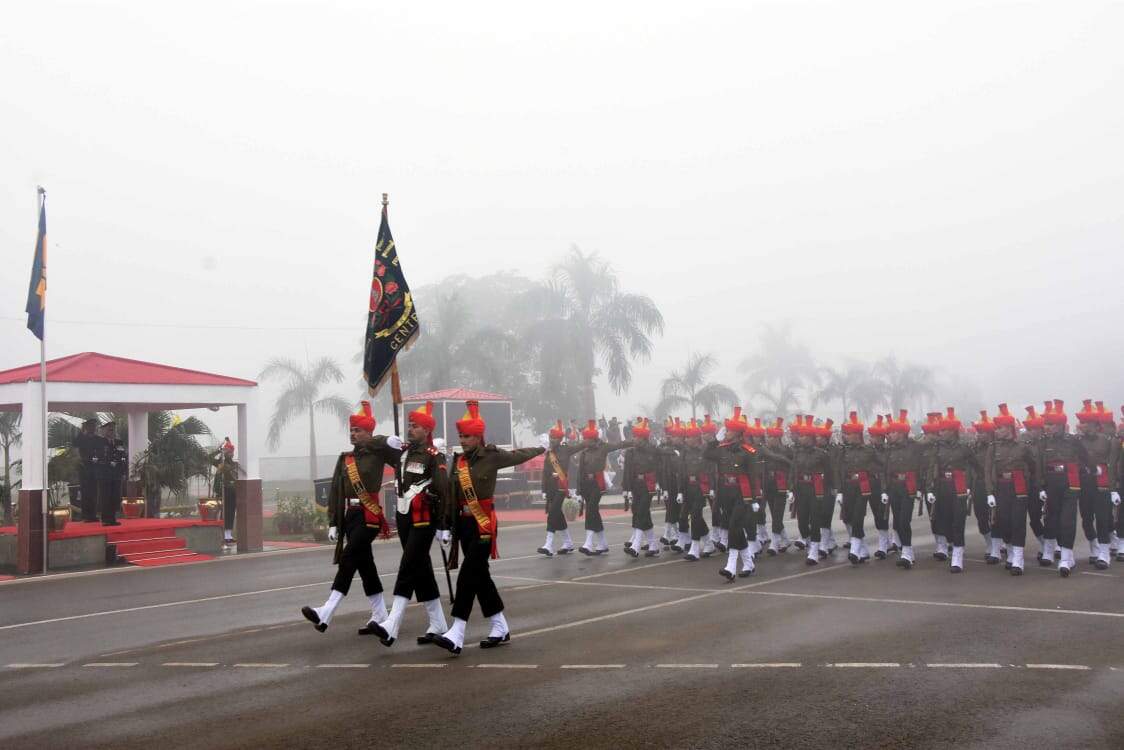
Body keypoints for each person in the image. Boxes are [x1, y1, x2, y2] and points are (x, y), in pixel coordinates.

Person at [432, 400, 544, 655]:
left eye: (467, 436)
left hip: (483, 524)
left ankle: (457, 631)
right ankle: (500, 626)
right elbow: (451, 496)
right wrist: (445, 525)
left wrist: (541, 448)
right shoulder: (458, 461)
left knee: (468, 574)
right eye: (461, 436)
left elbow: (518, 455)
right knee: (480, 577)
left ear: (478, 437)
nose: (463, 440)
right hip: (464, 525)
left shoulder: (491, 456)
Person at [301, 401, 403, 633]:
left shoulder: (378, 453)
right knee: (365, 566)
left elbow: (399, 456)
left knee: (348, 558)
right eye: (352, 430)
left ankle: (326, 611)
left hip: (369, 515)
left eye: (358, 430)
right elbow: (336, 491)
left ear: (369, 432)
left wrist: (383, 440)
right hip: (351, 515)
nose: (353, 434)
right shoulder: (345, 458)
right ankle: (380, 614)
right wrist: (333, 522)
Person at [366, 401, 451, 646]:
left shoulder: (434, 456)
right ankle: (438, 624)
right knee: (421, 569)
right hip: (404, 516)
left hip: (424, 518)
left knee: (407, 566)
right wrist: (386, 440)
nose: (410, 429)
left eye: (415, 426)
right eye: (409, 425)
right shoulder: (401, 452)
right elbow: (369, 443)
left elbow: (443, 490)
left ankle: (392, 624)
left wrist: (444, 524)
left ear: (427, 430)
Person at [703, 409, 757, 579]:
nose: (726, 432)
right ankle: (748, 563)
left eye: (729, 430)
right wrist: (714, 441)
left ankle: (731, 566)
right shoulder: (722, 449)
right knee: (736, 529)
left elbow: (753, 476)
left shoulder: (748, 452)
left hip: (742, 495)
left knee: (734, 526)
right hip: (726, 494)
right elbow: (706, 454)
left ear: (738, 433)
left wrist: (755, 498)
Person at [984, 404, 1037, 575]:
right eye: (996, 428)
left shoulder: (1022, 446)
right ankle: (1010, 551)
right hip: (1001, 487)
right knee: (1004, 522)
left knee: (1018, 522)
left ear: (1009, 428)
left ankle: (1018, 559)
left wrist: (1030, 482)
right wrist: (990, 492)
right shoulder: (993, 447)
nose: (997, 431)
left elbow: (1033, 465)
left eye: (1000, 428)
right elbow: (988, 470)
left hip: (1019, 486)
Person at [925, 408, 978, 573]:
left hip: (959, 486)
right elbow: (931, 468)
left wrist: (969, 485)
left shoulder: (964, 448)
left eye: (944, 430)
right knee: (944, 520)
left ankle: (957, 555)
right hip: (942, 486)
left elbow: (976, 467)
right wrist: (930, 489)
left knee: (958, 521)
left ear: (953, 431)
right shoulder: (937, 448)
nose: (941, 433)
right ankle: (949, 545)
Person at [567, 421, 630, 554]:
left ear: (593, 439)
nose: (584, 441)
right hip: (586, 484)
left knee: (591, 510)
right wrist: (578, 491)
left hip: (597, 483)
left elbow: (618, 444)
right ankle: (602, 543)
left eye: (586, 439)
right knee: (594, 512)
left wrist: (632, 441)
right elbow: (580, 471)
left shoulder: (603, 447)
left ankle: (588, 543)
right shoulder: (584, 452)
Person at [836, 412, 885, 564]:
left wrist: (874, 477)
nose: (846, 436)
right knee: (850, 517)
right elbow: (840, 471)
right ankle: (863, 550)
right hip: (849, 486)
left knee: (858, 517)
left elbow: (884, 464)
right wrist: (840, 491)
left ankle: (855, 549)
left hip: (865, 486)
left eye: (849, 434)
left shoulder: (869, 450)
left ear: (857, 435)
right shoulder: (844, 451)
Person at [1075, 400, 1118, 568]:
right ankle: (1094, 546)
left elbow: (1113, 465)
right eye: (1082, 422)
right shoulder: (1077, 441)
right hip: (1084, 483)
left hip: (1102, 483)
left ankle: (1104, 554)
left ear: (1094, 424)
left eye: (1085, 422)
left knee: (1102, 518)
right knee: (1086, 519)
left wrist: (1113, 489)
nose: (1082, 425)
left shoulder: (1108, 441)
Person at [622, 418, 671, 558]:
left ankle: (636, 546)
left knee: (642, 511)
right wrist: (626, 488)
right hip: (635, 485)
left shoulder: (653, 450)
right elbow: (627, 472)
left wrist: (662, 485)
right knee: (639, 512)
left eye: (636, 437)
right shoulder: (631, 452)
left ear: (643, 438)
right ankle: (653, 546)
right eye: (634, 436)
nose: (634, 439)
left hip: (648, 485)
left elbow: (660, 467)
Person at [885, 410, 925, 569]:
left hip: (909, 487)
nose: (890, 435)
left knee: (904, 520)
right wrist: (885, 489)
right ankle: (907, 552)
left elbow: (922, 467)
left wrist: (920, 487)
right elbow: (886, 470)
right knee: (897, 520)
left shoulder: (915, 447)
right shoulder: (890, 448)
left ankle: (907, 552)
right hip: (895, 487)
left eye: (893, 432)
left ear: (902, 433)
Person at [539, 420, 580, 556]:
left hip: (561, 486)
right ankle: (568, 543)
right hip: (551, 487)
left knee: (553, 513)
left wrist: (593, 439)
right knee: (558, 516)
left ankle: (548, 545)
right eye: (551, 437)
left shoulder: (566, 449)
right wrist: (543, 490)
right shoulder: (549, 453)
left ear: (560, 439)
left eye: (554, 438)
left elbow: (580, 446)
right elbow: (545, 473)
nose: (552, 440)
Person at [971, 411, 1000, 563]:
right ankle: (989, 543)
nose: (979, 434)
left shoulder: (997, 447)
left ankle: (996, 547)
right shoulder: (974, 447)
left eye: (982, 432)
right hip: (979, 484)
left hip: (996, 485)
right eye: (978, 432)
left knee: (995, 517)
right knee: (981, 516)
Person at [761, 418, 793, 555]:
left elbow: (792, 467)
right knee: (775, 514)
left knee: (778, 514)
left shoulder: (786, 451)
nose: (767, 439)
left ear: (776, 438)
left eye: (770, 437)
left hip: (781, 484)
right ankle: (785, 539)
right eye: (767, 437)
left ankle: (775, 542)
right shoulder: (764, 450)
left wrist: (791, 488)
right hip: (768, 484)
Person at [96, 421, 126, 527]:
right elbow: (98, 457)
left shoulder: (119, 442)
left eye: (113, 429)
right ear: (104, 430)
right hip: (105, 473)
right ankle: (105, 519)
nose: (112, 431)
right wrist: (109, 462)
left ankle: (112, 518)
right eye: (109, 429)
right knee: (106, 496)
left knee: (115, 496)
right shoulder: (99, 442)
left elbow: (123, 456)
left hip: (116, 474)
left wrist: (123, 471)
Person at [72, 419, 101, 522]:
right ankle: (85, 515)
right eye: (90, 426)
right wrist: (80, 461)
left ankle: (93, 514)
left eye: (94, 426)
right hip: (84, 468)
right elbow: (75, 447)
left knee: (94, 492)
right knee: (85, 492)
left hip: (95, 468)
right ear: (86, 427)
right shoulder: (81, 438)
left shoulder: (98, 439)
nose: (93, 428)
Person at [212, 438, 239, 543]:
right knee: (224, 512)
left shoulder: (235, 464)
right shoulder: (221, 463)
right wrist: (219, 450)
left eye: (231, 452)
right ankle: (223, 534)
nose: (230, 453)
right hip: (224, 490)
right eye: (228, 451)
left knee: (231, 513)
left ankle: (229, 535)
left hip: (233, 491)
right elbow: (209, 458)